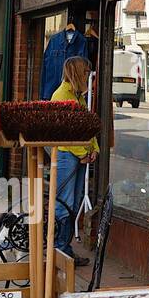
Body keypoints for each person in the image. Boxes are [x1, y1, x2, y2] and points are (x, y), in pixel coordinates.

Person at [51, 56, 97, 265]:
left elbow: (86, 126)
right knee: (65, 204)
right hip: (67, 156)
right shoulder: (61, 96)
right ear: (78, 73)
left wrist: (93, 148)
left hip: (77, 156)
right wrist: (82, 153)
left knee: (74, 203)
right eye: (86, 72)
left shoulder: (77, 97)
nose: (88, 76)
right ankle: (60, 250)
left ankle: (65, 249)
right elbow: (63, 133)